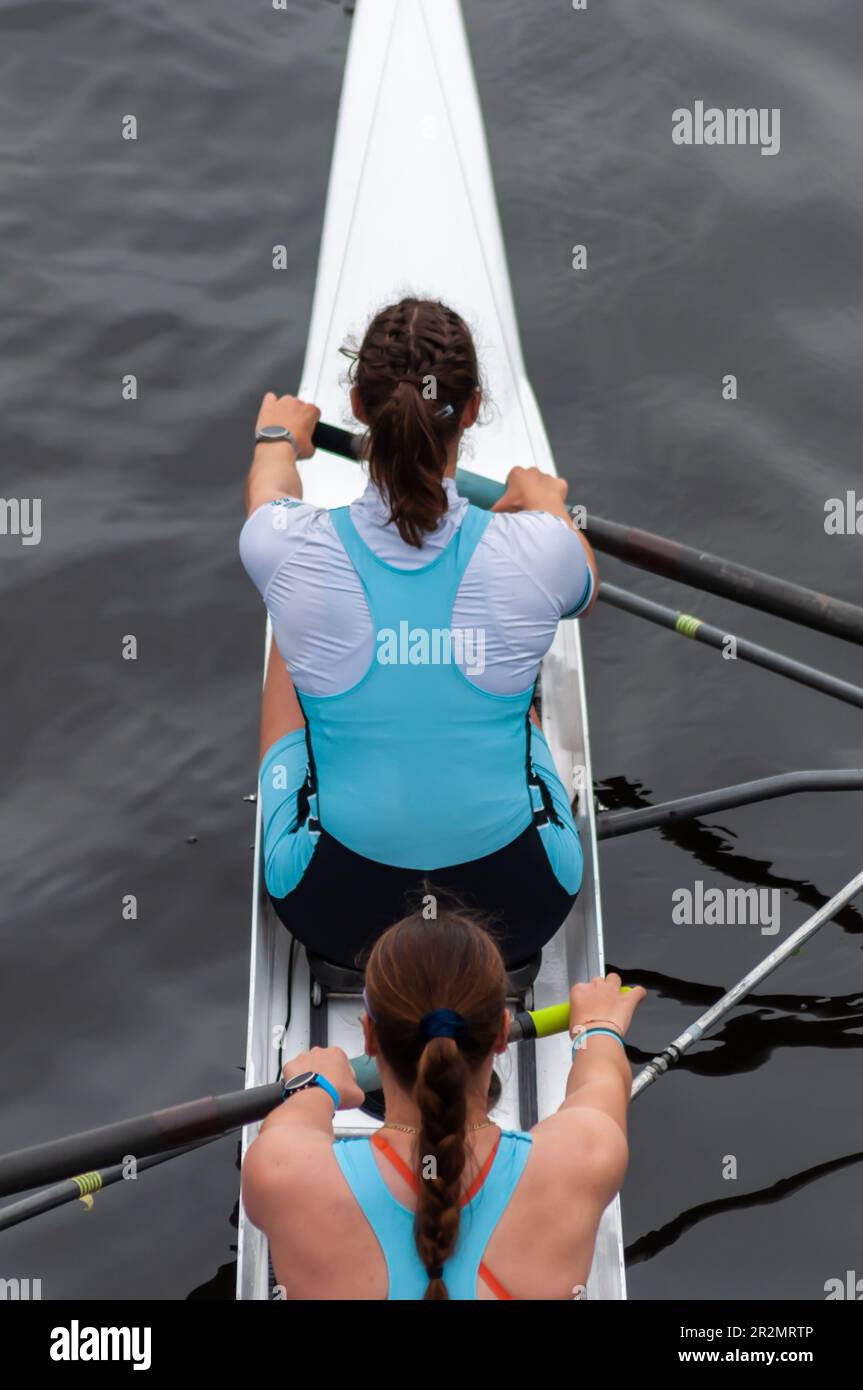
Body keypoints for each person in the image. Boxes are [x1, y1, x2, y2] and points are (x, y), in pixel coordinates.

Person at [240, 296, 598, 969]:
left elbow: (269, 494)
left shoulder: (285, 547)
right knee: (511, 672)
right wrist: (546, 504)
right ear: (471, 409)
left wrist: (278, 438)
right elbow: (584, 584)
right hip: (521, 908)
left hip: (335, 911)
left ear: (356, 402)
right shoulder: (541, 551)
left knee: (293, 623)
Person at [241, 907, 644, 1300]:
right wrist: (599, 1027)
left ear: (368, 1036)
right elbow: (601, 1080)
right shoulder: (585, 1158)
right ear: (502, 1032)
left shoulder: (281, 1172)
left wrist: (313, 1086)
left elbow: (292, 1126)